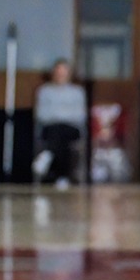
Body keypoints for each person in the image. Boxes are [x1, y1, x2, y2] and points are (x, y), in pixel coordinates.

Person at [33, 58, 87, 187]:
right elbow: (41, 115)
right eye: (58, 72)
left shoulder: (77, 92)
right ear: (53, 73)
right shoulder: (44, 91)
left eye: (64, 72)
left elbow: (80, 115)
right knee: (57, 132)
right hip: (50, 127)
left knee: (64, 133)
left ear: (69, 74)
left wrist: (58, 114)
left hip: (71, 128)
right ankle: (62, 176)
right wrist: (63, 114)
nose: (61, 75)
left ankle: (49, 157)